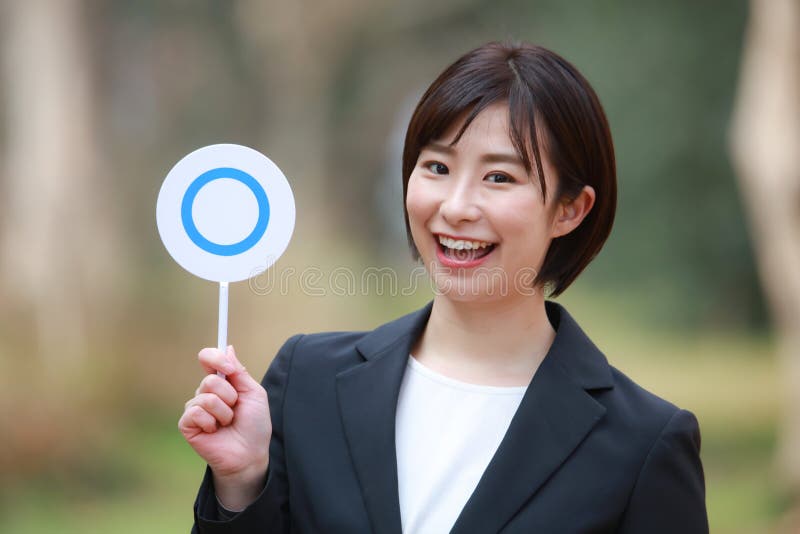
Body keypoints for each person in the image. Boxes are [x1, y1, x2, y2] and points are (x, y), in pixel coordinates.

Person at [180, 41, 708, 533]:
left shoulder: (643, 444)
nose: (455, 207)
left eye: (499, 177)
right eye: (436, 166)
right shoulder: (307, 383)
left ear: (570, 210)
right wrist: (243, 482)